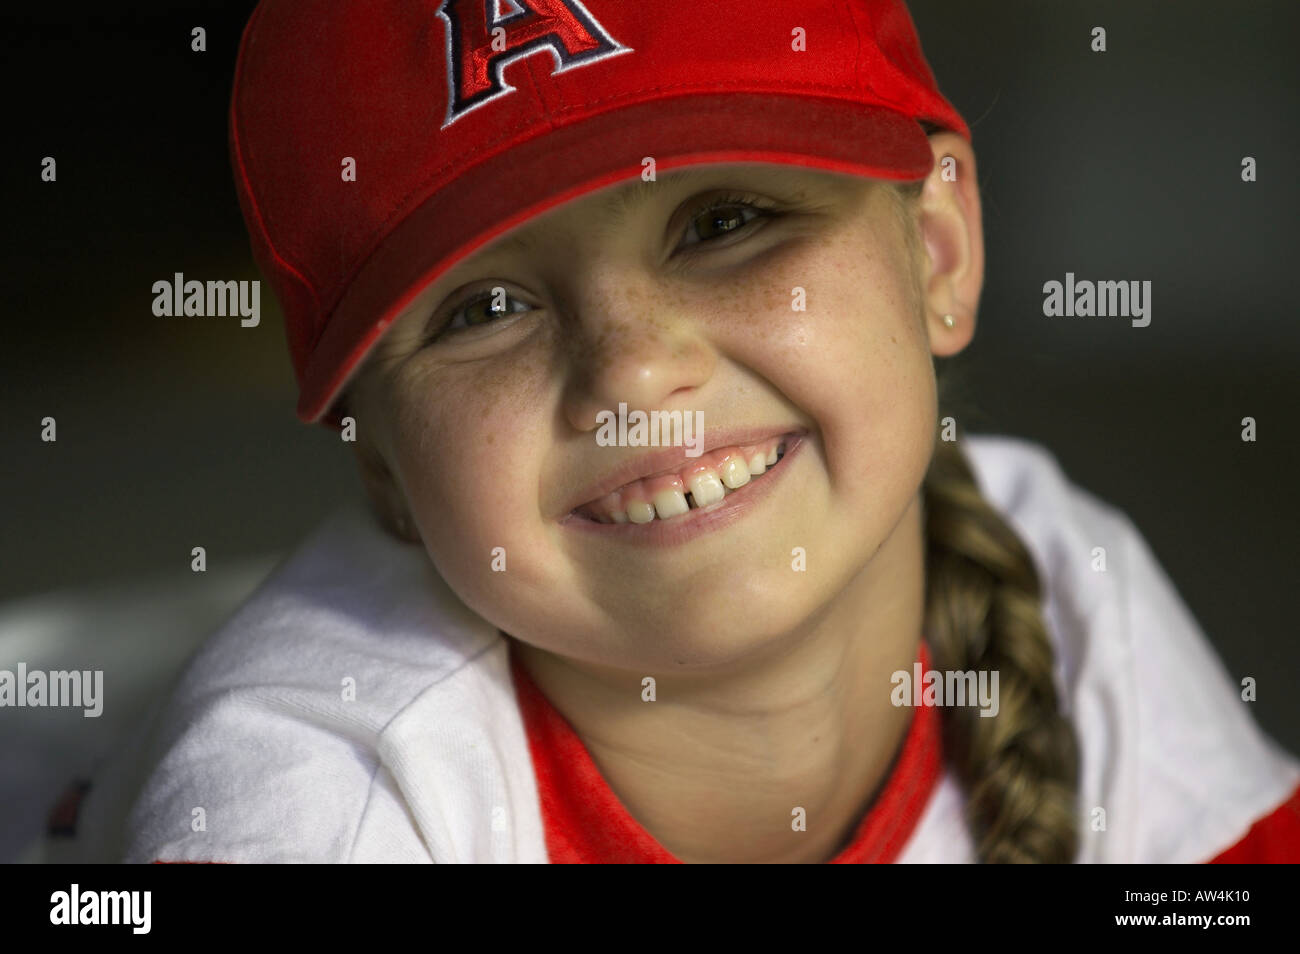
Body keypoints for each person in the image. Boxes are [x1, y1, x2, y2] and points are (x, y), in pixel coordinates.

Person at [66, 0, 1300, 863]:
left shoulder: (1067, 580)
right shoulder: (307, 797)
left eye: (723, 223)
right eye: (484, 307)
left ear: (936, 250)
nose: (634, 368)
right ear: (381, 462)